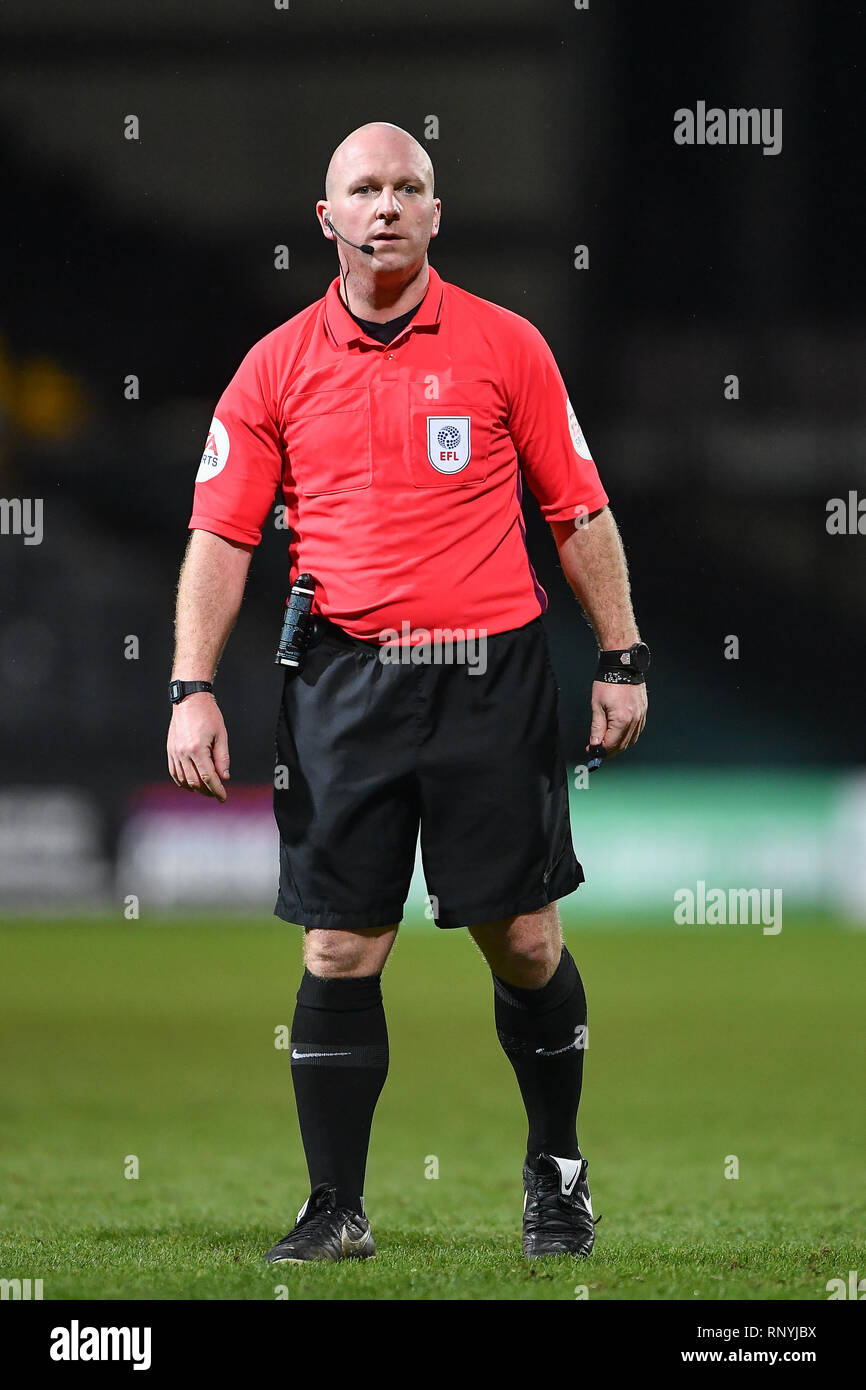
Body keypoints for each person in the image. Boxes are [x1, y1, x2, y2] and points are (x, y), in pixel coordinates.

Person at [166, 121, 648, 1263]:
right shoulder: (273, 365)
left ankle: (556, 1177)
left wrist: (619, 655)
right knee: (337, 949)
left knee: (523, 940)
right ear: (324, 218)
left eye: (408, 187)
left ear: (437, 214)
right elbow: (220, 536)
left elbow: (576, 510)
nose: (386, 205)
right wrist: (190, 684)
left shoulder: (505, 345)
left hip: (490, 676)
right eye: (363, 189)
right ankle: (335, 1207)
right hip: (343, 682)